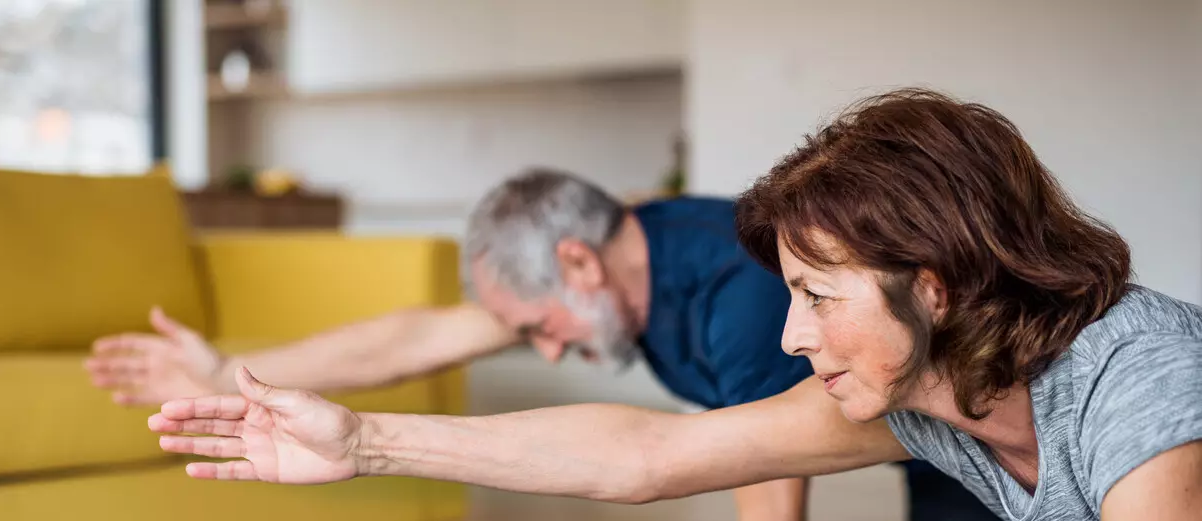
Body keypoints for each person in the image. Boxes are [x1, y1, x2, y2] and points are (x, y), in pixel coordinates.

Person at [139, 88, 1201, 520]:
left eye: (818, 297)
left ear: (936, 283)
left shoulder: (1137, 383)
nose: (792, 333)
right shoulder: (921, 388)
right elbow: (646, 456)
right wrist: (363, 436)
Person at [95, 169, 930, 520]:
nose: (550, 348)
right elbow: (421, 334)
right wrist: (232, 374)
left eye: (537, 325)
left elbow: (753, 462)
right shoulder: (614, 247)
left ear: (576, 261)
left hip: (955, 441)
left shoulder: (740, 295)